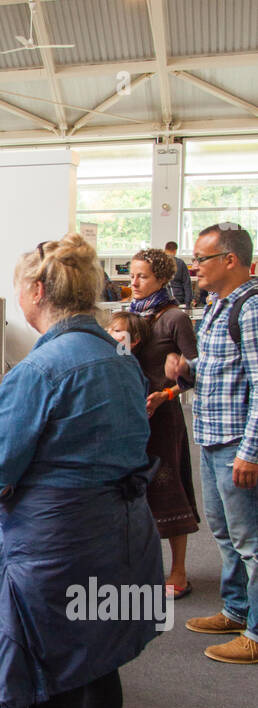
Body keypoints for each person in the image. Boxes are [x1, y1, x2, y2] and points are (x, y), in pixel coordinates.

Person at [0, 234, 164, 708]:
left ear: (35, 293)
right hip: (123, 541)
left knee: (54, 685)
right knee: (98, 662)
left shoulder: (36, 372)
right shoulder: (120, 359)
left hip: (58, 551)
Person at [165, 222, 258, 665]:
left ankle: (255, 632)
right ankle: (236, 610)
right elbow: (219, 365)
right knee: (224, 534)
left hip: (237, 443)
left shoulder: (253, 308)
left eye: (201, 258)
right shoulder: (221, 305)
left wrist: (250, 451)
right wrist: (186, 367)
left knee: (250, 542)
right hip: (213, 437)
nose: (193, 266)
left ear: (230, 260)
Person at [128, 248, 200, 596]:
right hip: (133, 417)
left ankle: (179, 572)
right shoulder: (129, 315)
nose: (134, 281)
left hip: (165, 417)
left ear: (161, 278)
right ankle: (143, 569)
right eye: (132, 274)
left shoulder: (176, 319)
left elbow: (194, 374)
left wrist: (167, 392)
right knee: (134, 491)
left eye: (142, 276)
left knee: (169, 487)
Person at [165, 241, 193, 309]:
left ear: (165, 250)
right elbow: (187, 284)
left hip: (164, 299)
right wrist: (188, 303)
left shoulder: (160, 263)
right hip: (179, 299)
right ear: (175, 251)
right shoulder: (180, 263)